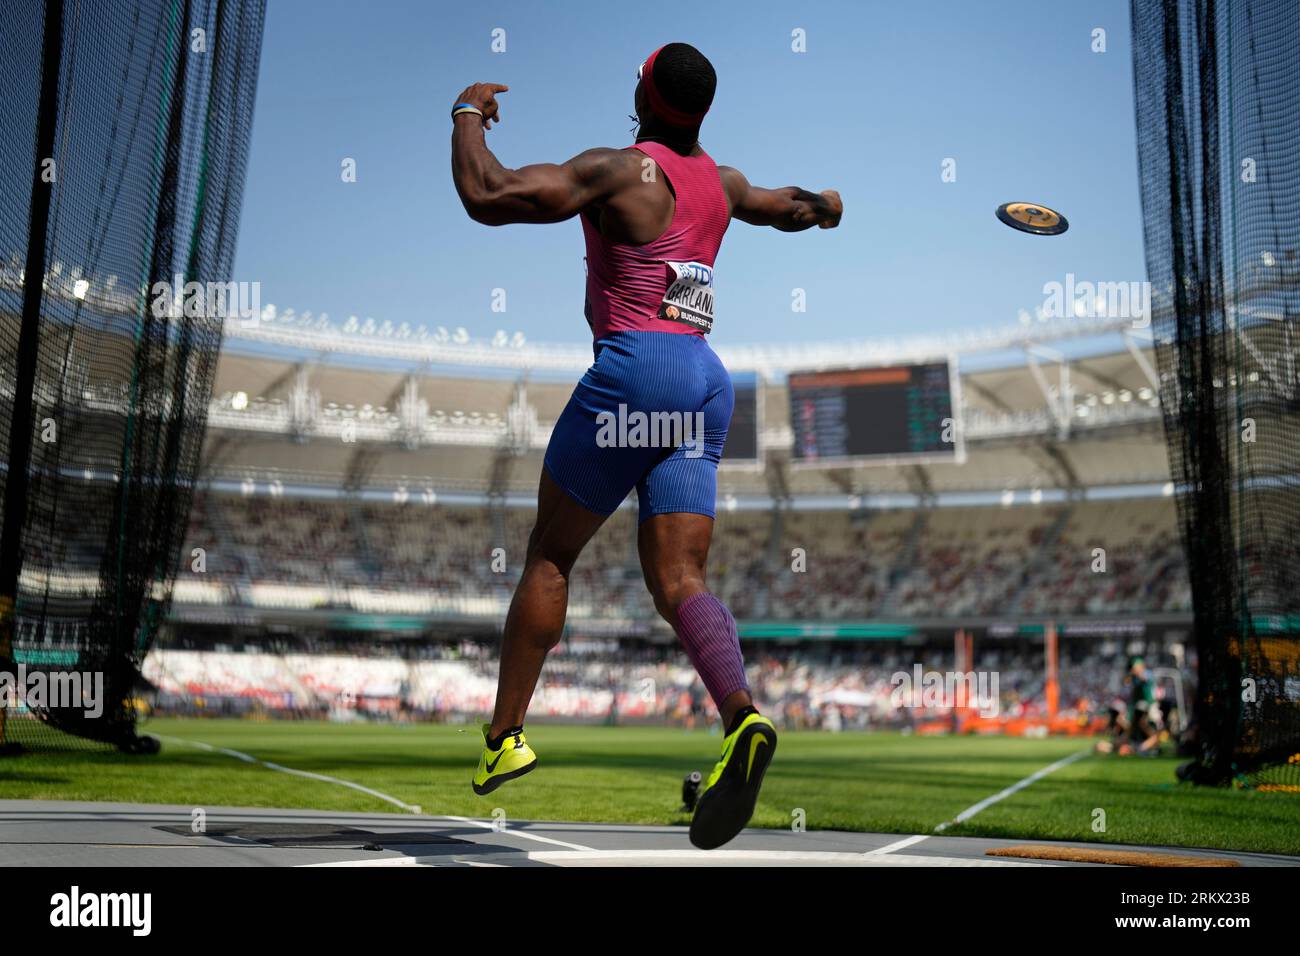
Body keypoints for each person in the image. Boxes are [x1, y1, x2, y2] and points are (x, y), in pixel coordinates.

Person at [450, 42, 842, 849]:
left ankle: (505, 738)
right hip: (706, 383)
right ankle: (741, 716)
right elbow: (790, 207)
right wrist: (828, 205)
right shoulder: (723, 184)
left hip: (636, 370)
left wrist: (466, 115)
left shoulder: (615, 170)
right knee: (680, 579)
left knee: (552, 553)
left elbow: (487, 194)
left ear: (647, 97)